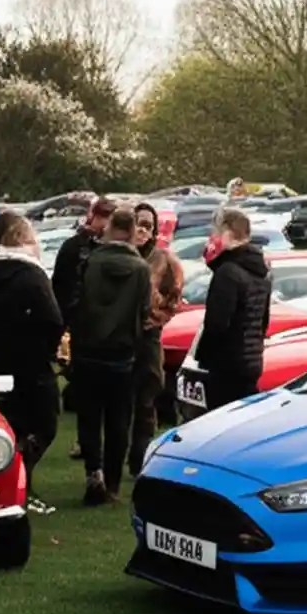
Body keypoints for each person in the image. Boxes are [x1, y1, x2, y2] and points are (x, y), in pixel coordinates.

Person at [0, 211, 63, 515]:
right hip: (31, 362)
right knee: (44, 424)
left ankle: (9, 484)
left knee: (10, 423)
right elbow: (52, 319)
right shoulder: (31, 274)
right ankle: (21, 482)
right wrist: (48, 348)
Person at [75, 207, 150, 505]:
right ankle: (114, 482)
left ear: (109, 229)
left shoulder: (91, 262)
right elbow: (144, 311)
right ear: (132, 231)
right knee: (119, 420)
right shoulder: (142, 269)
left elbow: (79, 300)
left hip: (88, 349)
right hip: (123, 353)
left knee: (89, 416)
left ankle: (94, 473)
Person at [51, 196, 115, 458]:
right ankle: (86, 442)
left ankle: (94, 443)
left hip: (100, 326)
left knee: (99, 392)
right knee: (86, 389)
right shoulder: (75, 247)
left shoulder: (107, 249)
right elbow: (61, 286)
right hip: (82, 325)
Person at [128, 203, 184, 477]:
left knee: (146, 399)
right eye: (138, 223)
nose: (142, 230)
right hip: (119, 338)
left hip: (148, 338)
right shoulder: (120, 255)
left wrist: (155, 318)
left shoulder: (163, 260)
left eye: (148, 225)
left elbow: (174, 298)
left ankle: (139, 459)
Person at [196, 208, 271, 410]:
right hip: (251, 359)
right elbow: (263, 320)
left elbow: (217, 324)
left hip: (225, 363)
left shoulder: (228, 272)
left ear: (227, 233)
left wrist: (204, 356)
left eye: (216, 233)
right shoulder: (260, 270)